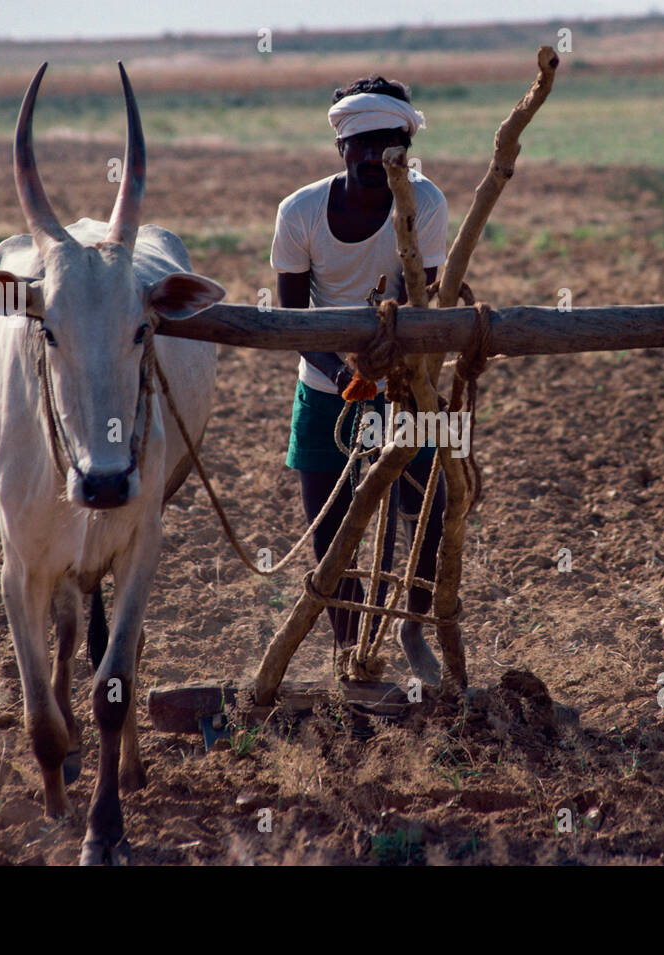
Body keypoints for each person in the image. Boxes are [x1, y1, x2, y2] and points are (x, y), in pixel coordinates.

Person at [271, 75, 447, 684]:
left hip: (405, 388)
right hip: (325, 391)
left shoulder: (424, 204)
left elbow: (419, 304)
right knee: (331, 528)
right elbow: (293, 320)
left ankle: (412, 627)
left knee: (430, 507)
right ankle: (351, 653)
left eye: (391, 145)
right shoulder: (298, 213)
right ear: (341, 148)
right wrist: (346, 372)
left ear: (407, 145)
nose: (377, 158)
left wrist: (389, 373)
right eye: (364, 145)